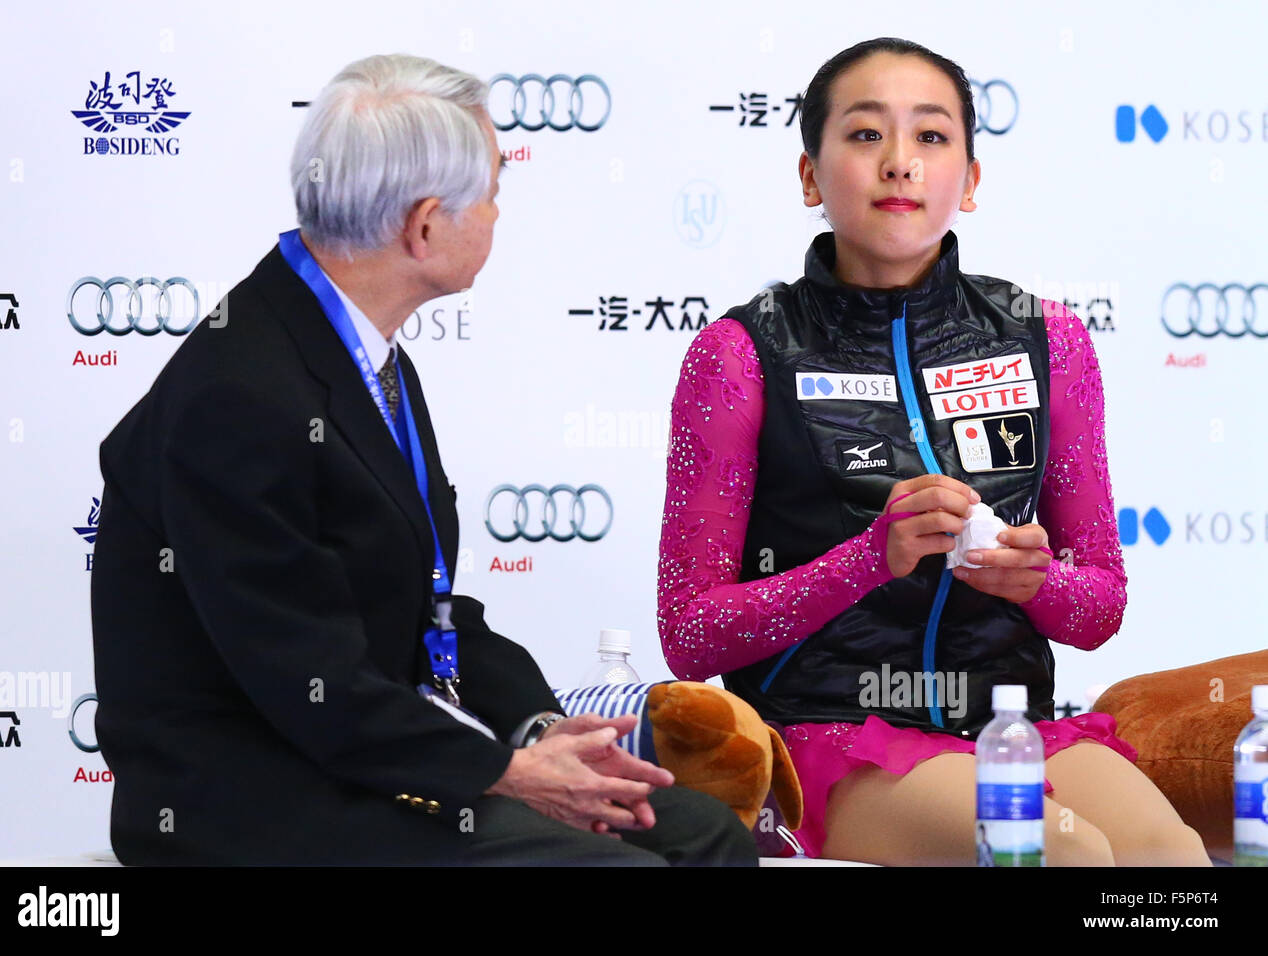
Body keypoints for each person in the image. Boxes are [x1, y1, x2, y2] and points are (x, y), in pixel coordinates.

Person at [90, 52, 754, 866]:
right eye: (494, 194)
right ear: (426, 224)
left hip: (361, 755)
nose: (500, 215)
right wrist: (507, 773)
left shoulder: (356, 351)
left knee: (700, 836)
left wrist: (541, 733)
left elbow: (424, 610)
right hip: (251, 792)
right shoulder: (241, 393)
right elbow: (305, 677)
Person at [656, 37, 1209, 866]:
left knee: (1171, 864)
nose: (900, 164)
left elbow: (1099, 607)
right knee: (1072, 858)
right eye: (867, 134)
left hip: (1015, 725)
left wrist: (1038, 581)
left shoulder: (1045, 339)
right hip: (824, 737)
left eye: (932, 137)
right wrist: (867, 560)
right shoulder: (741, 352)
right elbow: (690, 632)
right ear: (810, 175)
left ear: (972, 181)